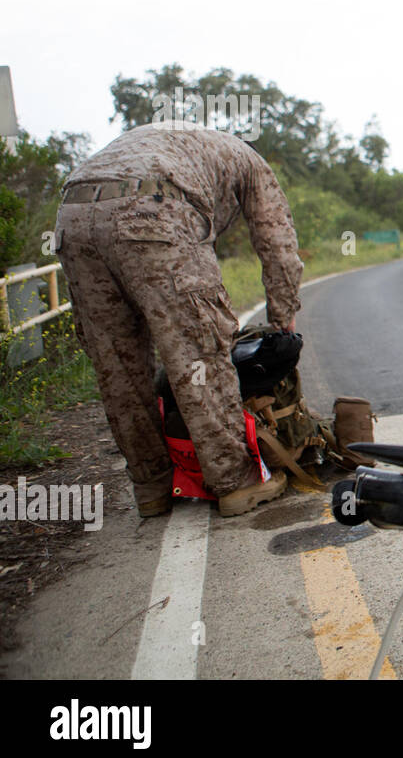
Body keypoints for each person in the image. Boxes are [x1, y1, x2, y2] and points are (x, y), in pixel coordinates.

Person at [55, 120, 303, 518]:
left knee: (116, 364)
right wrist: (283, 311)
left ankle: (151, 486)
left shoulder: (176, 142)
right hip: (151, 210)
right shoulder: (252, 163)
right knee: (198, 352)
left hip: (71, 216)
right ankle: (235, 481)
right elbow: (277, 240)